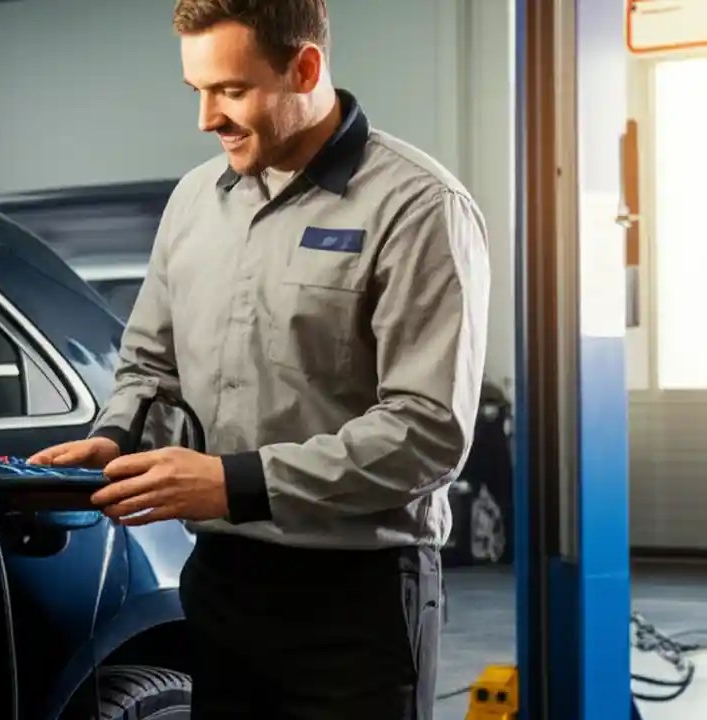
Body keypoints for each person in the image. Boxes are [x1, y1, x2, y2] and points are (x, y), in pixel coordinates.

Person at [27, 0, 490, 717]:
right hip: (220, 586)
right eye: (198, 92)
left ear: (304, 67)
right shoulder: (193, 202)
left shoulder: (418, 207)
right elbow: (150, 367)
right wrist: (117, 439)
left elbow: (428, 433)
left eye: (231, 91)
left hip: (355, 603)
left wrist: (235, 483)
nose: (206, 118)